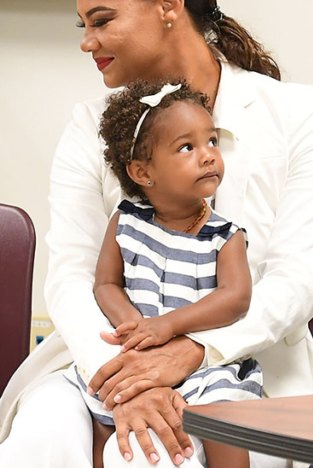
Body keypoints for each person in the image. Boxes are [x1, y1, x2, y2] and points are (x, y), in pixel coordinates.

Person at [0, 0, 313, 468]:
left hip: (251, 367)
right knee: (40, 440)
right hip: (103, 358)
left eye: (102, 20)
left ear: (168, 5)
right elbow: (71, 277)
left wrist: (195, 352)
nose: (86, 41)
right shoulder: (89, 126)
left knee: (157, 457)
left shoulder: (297, 115)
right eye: (84, 25)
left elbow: (296, 284)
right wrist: (127, 382)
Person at [70, 78, 258, 468]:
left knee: (222, 417)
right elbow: (106, 283)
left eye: (212, 141)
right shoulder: (126, 221)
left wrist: (169, 325)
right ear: (143, 172)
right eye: (187, 147)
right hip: (139, 354)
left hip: (203, 365)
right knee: (105, 408)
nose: (208, 156)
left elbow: (236, 298)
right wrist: (133, 326)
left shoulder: (225, 236)